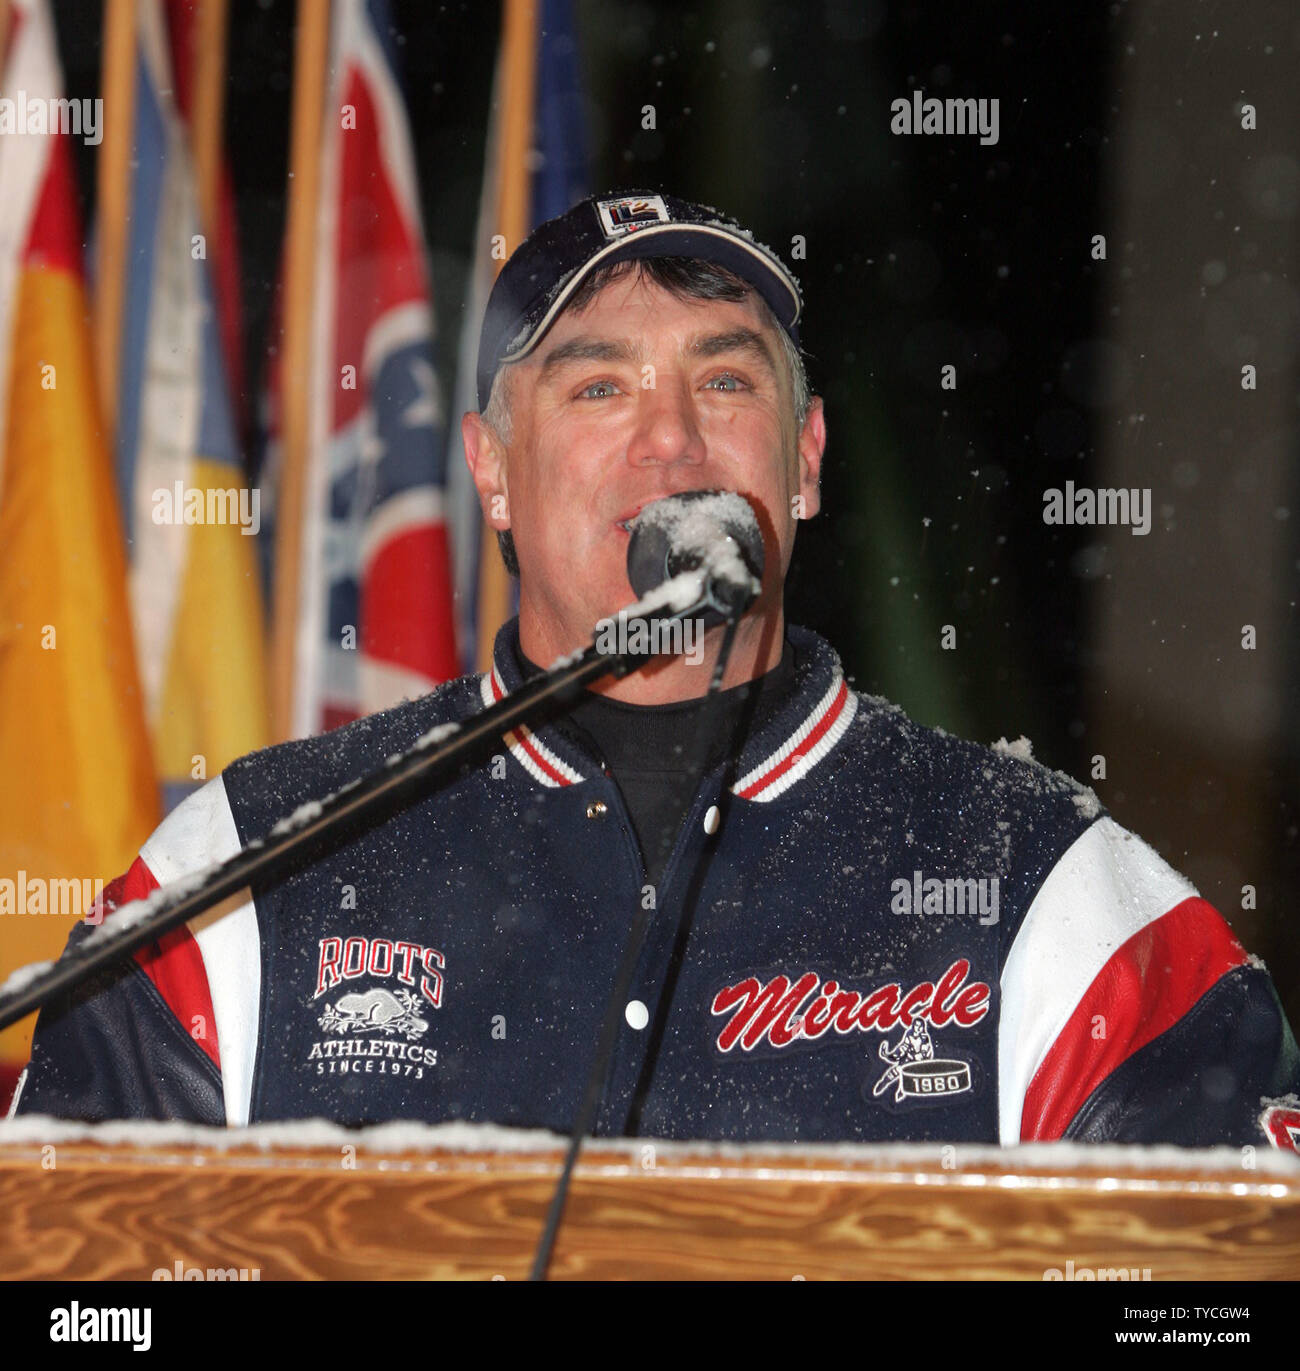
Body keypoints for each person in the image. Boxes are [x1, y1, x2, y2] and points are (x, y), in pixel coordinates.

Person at [11, 190, 1300, 1152]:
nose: (674, 442)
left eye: (724, 379)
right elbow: (77, 1277)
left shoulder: (1053, 890)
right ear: (491, 471)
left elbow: (1210, 1294)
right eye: (598, 390)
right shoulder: (246, 866)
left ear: (802, 461)